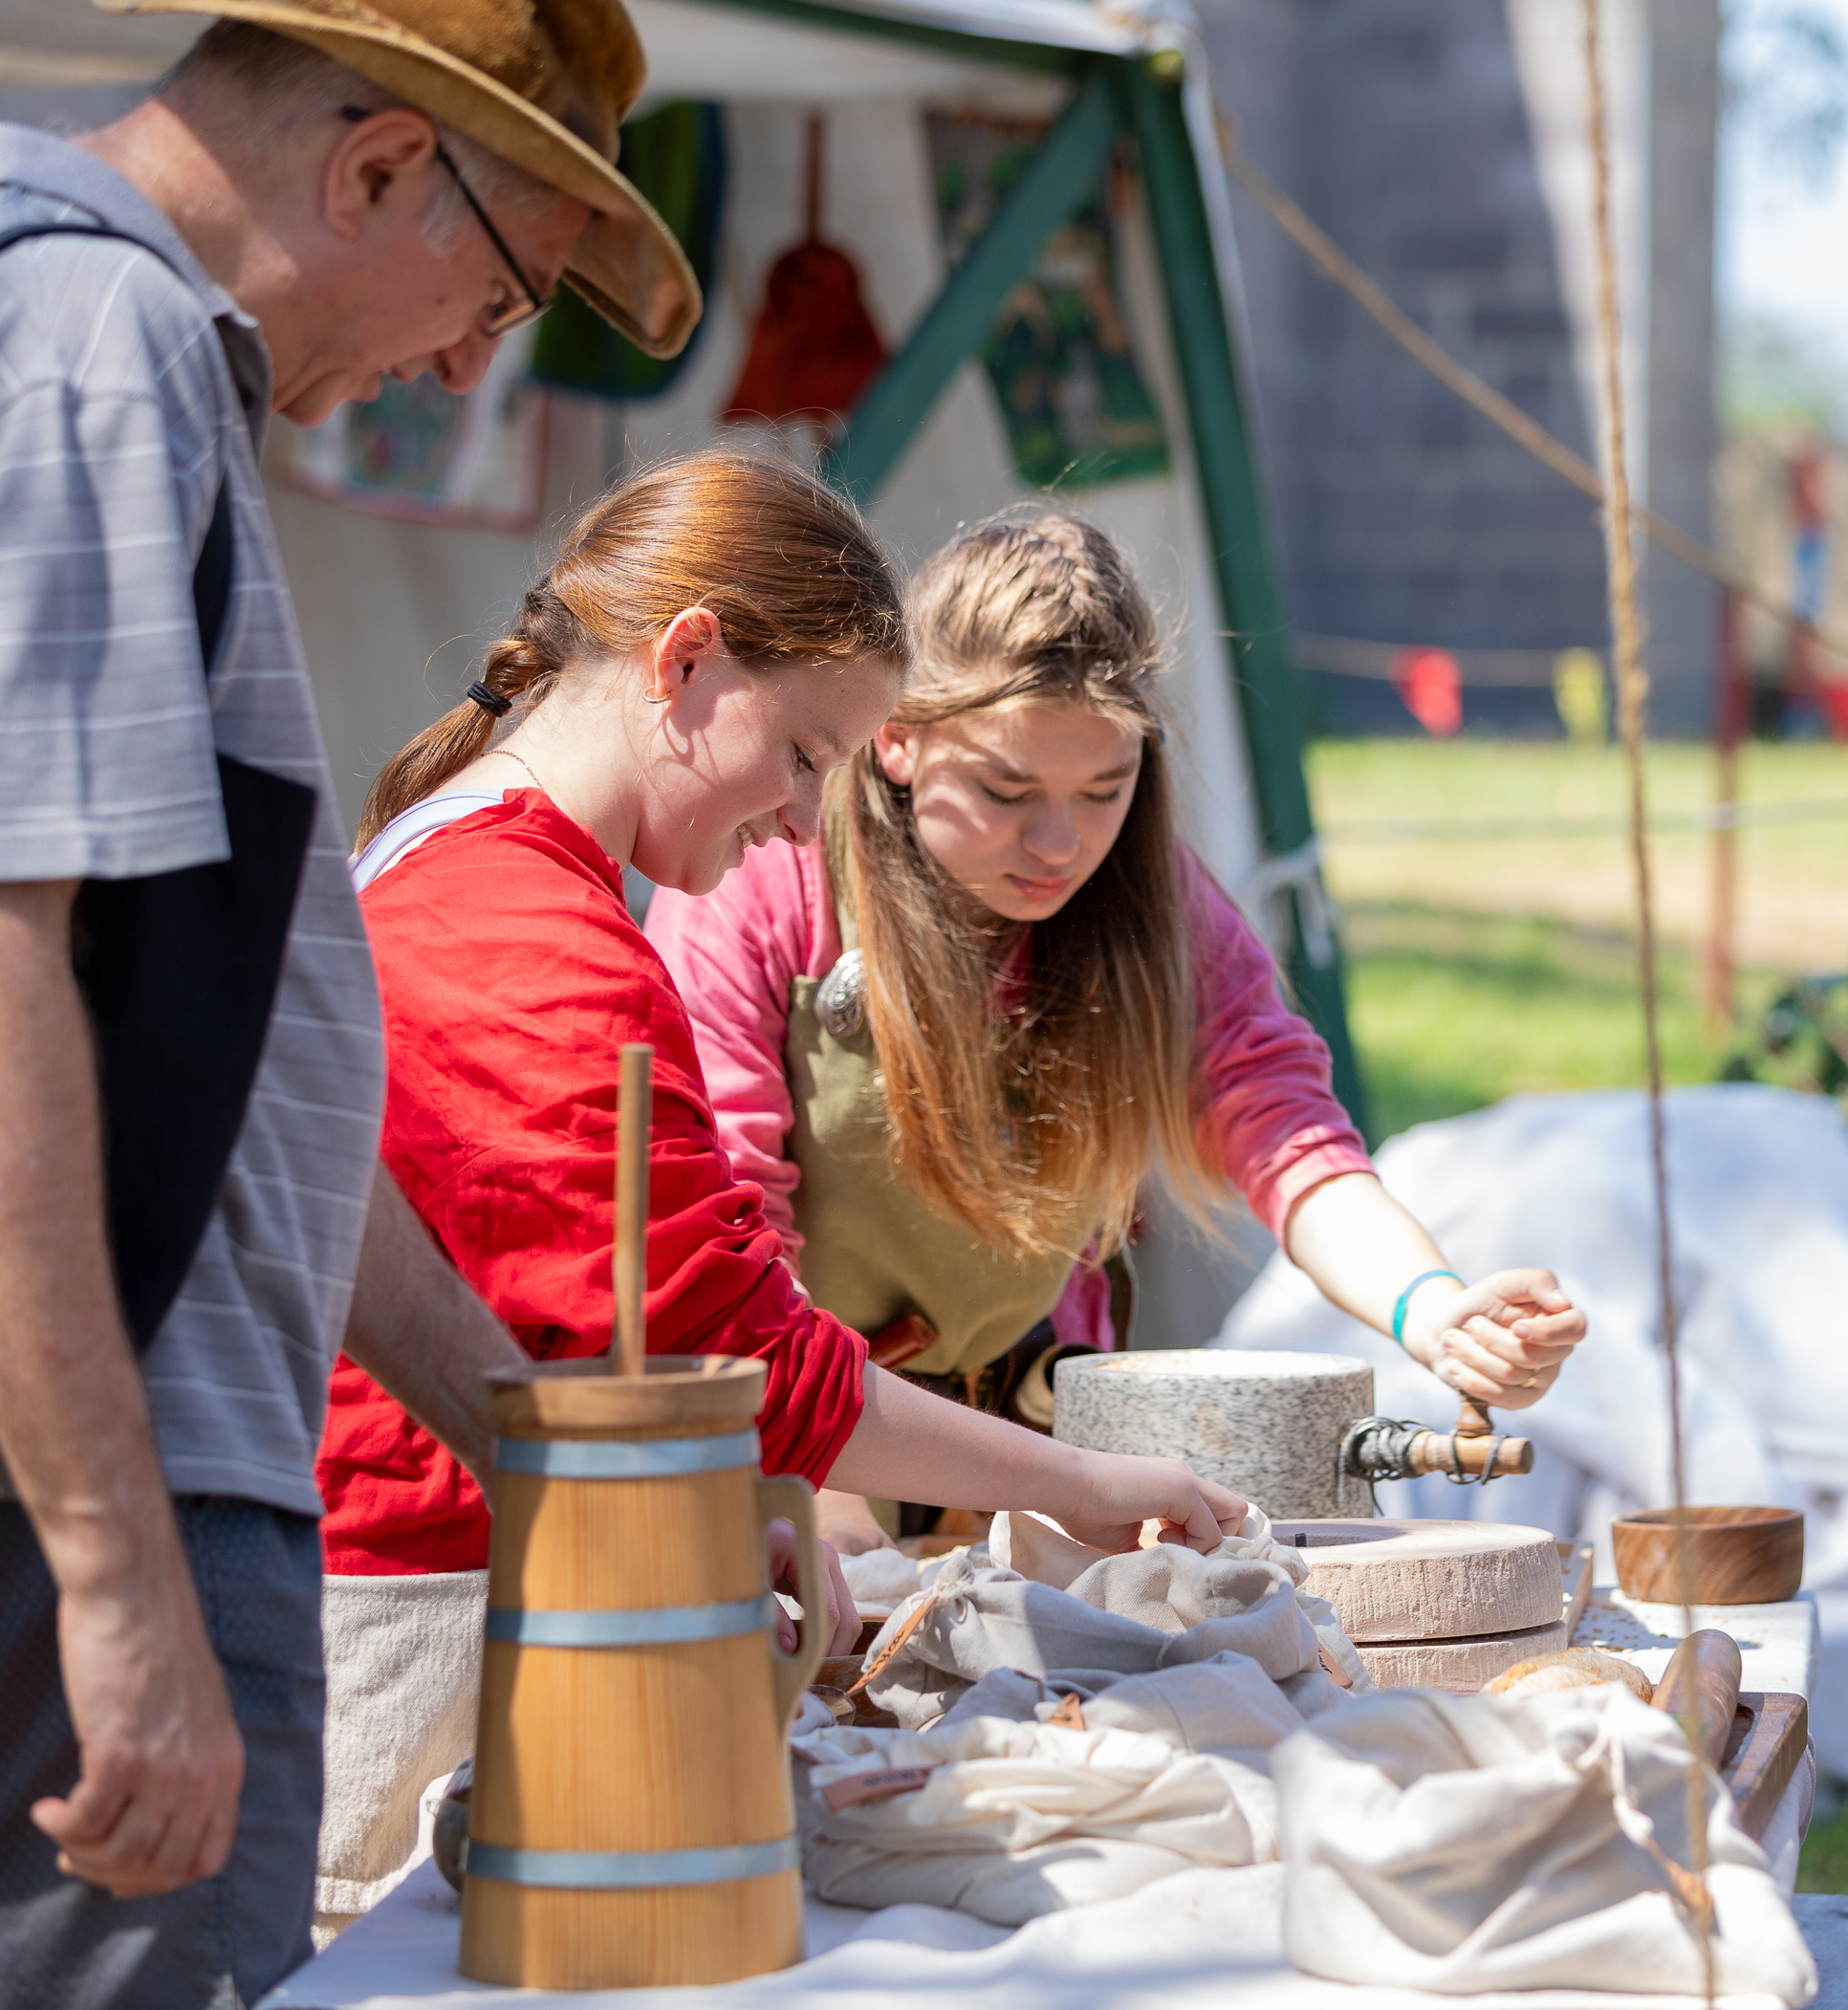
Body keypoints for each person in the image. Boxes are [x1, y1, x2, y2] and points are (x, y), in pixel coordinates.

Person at [0, 0, 705, 1999]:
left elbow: (246, 1098)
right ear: (380, 165)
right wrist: (114, 1566)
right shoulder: (100, 336)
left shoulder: (124, 347)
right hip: (107, 1493)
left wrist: (555, 1450)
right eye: (504, 291)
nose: (474, 356)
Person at [318, 449, 1248, 1933]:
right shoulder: (530, 929)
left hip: (480, 1566)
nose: (810, 817)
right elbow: (742, 1352)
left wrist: (709, 1500)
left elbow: (585, 1322)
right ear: (686, 661)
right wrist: (1079, 1480)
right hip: (428, 1614)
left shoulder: (473, 853)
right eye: (808, 754)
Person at [646, 511, 1587, 1551]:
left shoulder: (1155, 901)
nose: (1058, 843)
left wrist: (1435, 1312)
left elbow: (1289, 1136)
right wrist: (813, 1478)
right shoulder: (766, 879)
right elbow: (726, 1228)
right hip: (798, 1441)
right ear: (898, 737)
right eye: (1006, 790)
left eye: (1104, 790)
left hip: (1043, 1451)